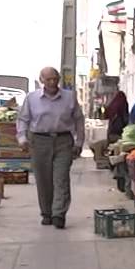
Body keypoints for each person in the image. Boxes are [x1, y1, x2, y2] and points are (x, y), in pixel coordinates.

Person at [16, 67, 85, 229]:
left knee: (61, 178)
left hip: (63, 141)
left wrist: (79, 142)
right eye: (48, 79)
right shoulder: (32, 98)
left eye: (55, 79)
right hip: (39, 141)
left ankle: (58, 214)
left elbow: (79, 120)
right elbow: (23, 119)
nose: (52, 82)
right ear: (42, 80)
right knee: (43, 179)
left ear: (59, 79)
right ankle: (46, 213)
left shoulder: (69, 97)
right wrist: (22, 138)